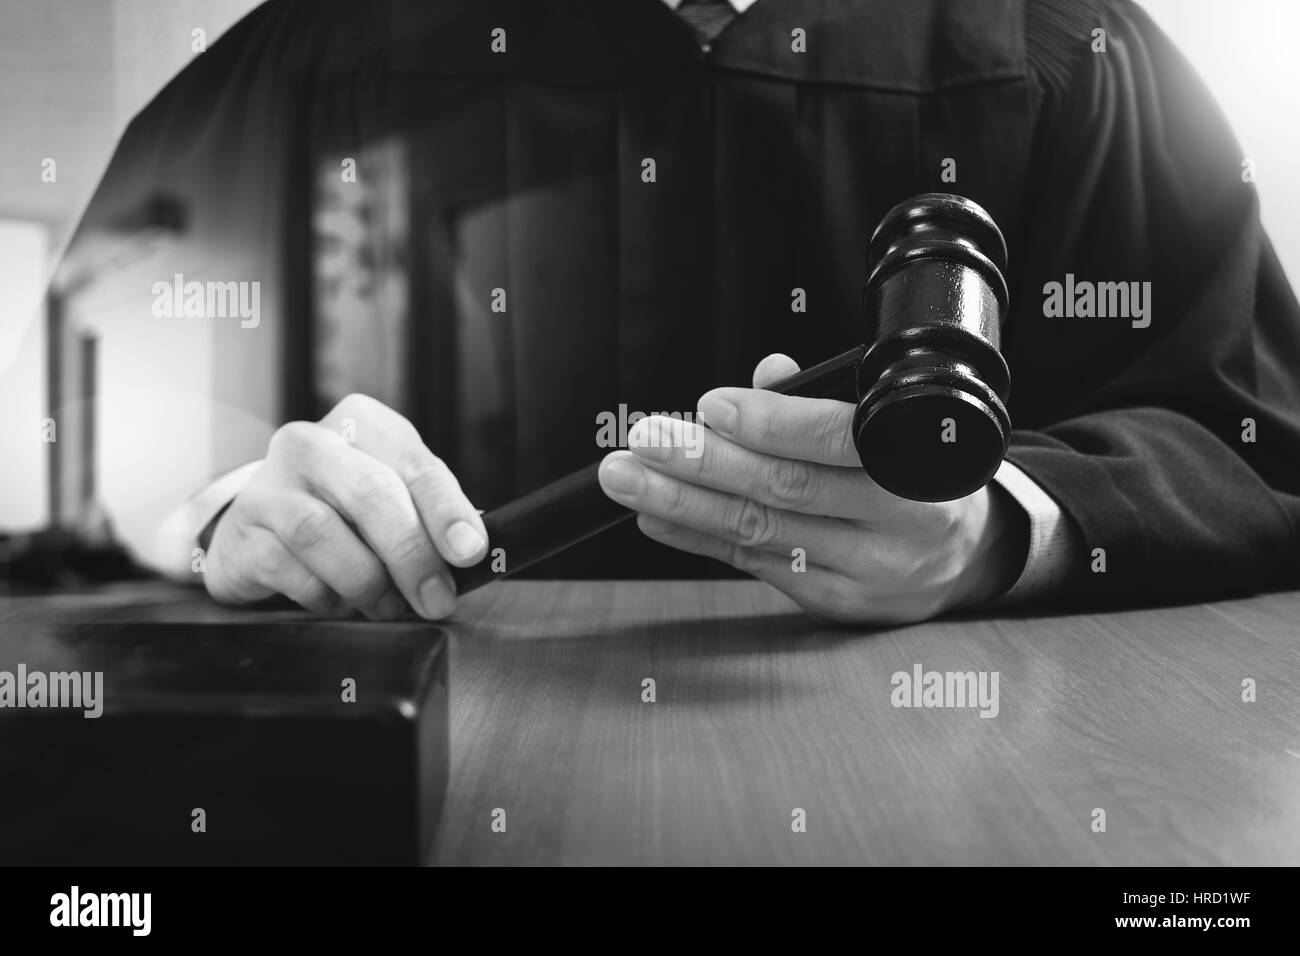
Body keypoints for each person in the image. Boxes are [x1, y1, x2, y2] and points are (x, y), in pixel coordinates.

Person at [71, 0, 1300, 624]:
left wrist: (997, 533)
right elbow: (81, 425)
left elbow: (1247, 430)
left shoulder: (1050, 39)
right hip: (422, 783)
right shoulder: (337, 42)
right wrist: (221, 510)